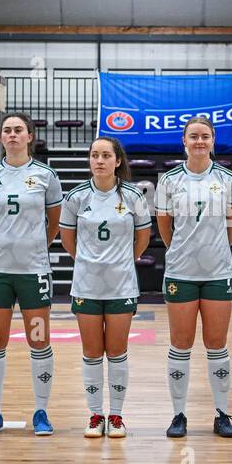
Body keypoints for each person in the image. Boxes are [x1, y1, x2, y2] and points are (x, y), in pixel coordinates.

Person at [156, 116, 232, 439]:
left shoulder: (229, 179)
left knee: (216, 344)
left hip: (217, 271)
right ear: (184, 141)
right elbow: (165, 226)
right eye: (193, 136)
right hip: (180, 270)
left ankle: (221, 414)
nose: (199, 142)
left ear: (213, 140)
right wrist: (183, 249)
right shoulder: (168, 180)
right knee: (180, 344)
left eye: (205, 136)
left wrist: (212, 249)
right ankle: (179, 414)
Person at [0, 113, 63, 436]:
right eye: (7, 131)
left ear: (30, 137)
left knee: (38, 341)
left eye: (18, 130)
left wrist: (33, 245)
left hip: (33, 272)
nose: (12, 135)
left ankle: (41, 411)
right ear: (1, 137)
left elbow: (54, 222)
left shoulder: (45, 176)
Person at [60, 136, 151, 438]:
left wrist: (121, 261)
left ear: (118, 161)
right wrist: (89, 262)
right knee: (91, 352)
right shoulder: (75, 197)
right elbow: (68, 239)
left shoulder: (134, 197)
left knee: (117, 351)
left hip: (121, 285)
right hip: (86, 285)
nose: (99, 161)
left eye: (105, 156)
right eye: (94, 155)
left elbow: (143, 238)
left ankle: (117, 416)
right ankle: (95, 414)